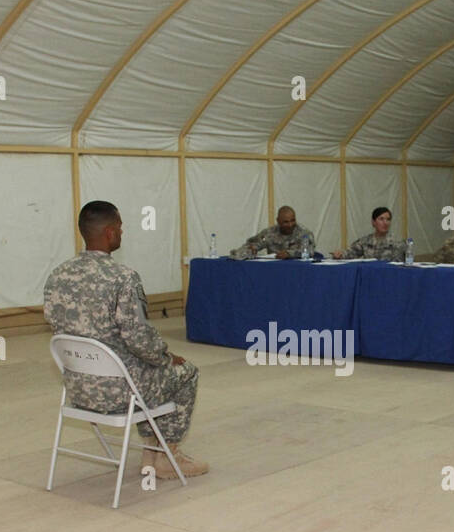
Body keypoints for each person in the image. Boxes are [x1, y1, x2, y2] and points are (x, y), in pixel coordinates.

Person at [44, 200, 207, 479]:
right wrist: (166, 357)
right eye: (120, 227)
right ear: (109, 232)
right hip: (121, 391)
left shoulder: (58, 275)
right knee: (185, 372)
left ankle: (151, 454)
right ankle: (167, 457)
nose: (122, 232)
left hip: (79, 389)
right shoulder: (123, 278)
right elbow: (139, 338)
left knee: (151, 369)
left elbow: (57, 325)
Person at [228, 206, 314, 260]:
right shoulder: (270, 233)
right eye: (286, 222)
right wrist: (250, 250)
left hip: (297, 271)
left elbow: (310, 251)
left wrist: (289, 254)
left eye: (293, 220)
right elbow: (252, 244)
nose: (290, 224)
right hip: (273, 271)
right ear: (278, 221)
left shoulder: (304, 233)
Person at [331, 206, 406, 261]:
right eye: (381, 219)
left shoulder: (397, 243)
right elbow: (349, 253)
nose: (385, 223)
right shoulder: (365, 241)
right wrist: (339, 255)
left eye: (388, 219)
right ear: (373, 222)